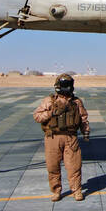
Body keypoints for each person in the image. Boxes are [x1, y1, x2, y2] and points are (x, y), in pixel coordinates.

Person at [33, 73, 91, 201]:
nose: (66, 88)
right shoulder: (49, 101)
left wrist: (86, 132)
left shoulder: (76, 102)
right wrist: (51, 113)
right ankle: (56, 191)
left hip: (71, 138)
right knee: (52, 166)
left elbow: (83, 119)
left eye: (68, 85)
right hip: (52, 137)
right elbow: (37, 116)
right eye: (64, 85)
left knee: (74, 166)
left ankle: (76, 191)